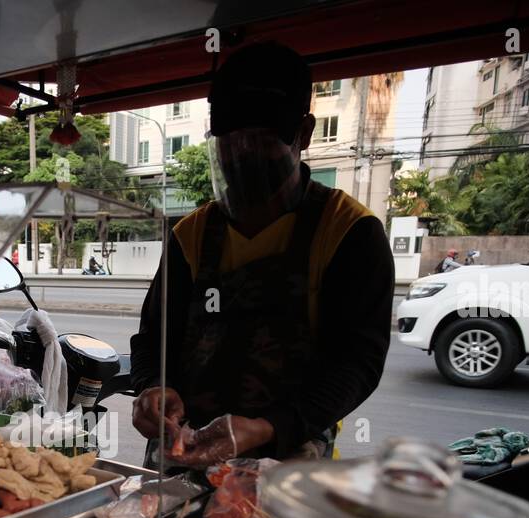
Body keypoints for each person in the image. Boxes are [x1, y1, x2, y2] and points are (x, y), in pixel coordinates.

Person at [129, 43, 392, 466]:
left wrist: (266, 427)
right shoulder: (189, 235)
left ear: (303, 134)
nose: (243, 154)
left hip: (287, 455)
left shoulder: (350, 233)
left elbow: (357, 364)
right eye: (231, 142)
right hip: (183, 447)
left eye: (262, 140)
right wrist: (152, 388)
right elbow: (151, 340)